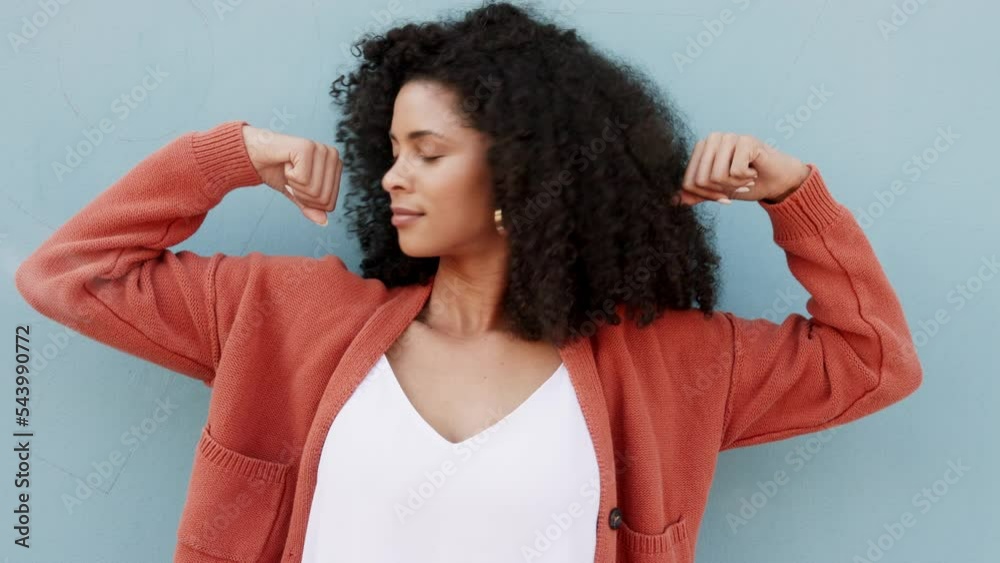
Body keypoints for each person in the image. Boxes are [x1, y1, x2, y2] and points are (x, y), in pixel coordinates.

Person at [14, 2, 923, 562]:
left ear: (520, 177)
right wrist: (229, 154)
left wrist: (795, 194)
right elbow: (68, 275)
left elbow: (874, 360)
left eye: (428, 152)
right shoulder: (281, 316)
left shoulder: (667, 366)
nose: (390, 176)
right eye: (391, 148)